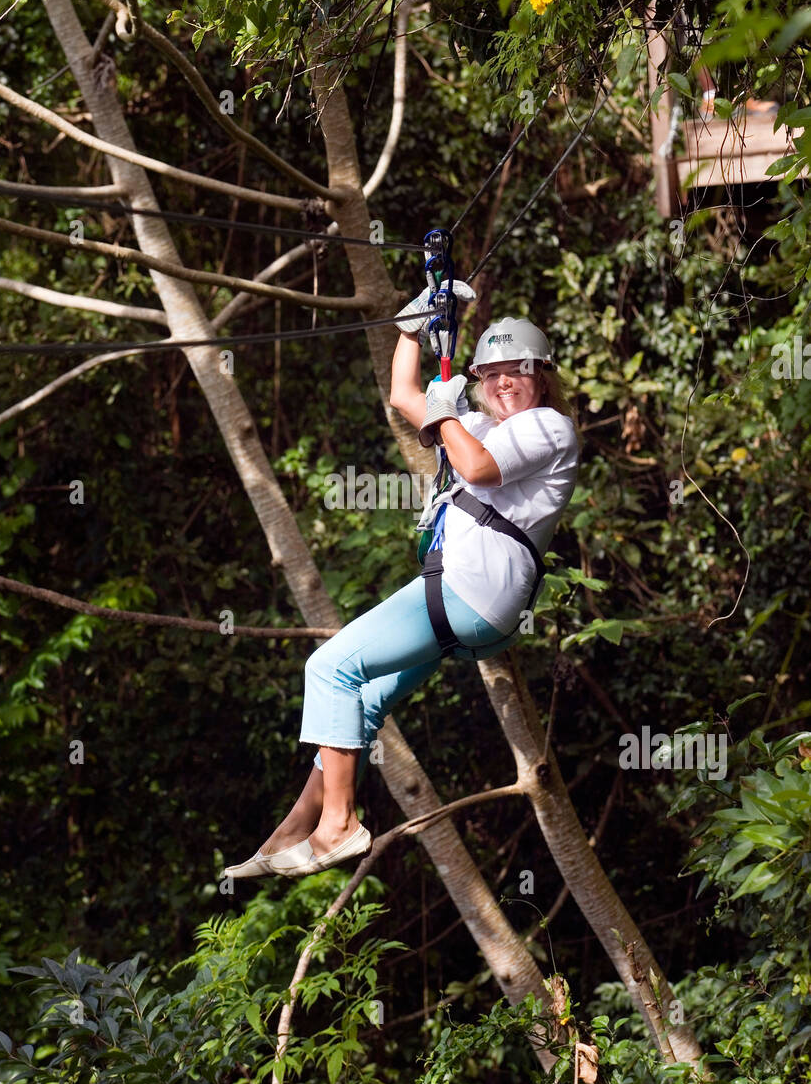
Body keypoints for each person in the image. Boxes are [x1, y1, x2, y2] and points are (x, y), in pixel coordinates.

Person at [224, 287, 579, 881]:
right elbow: (403, 395)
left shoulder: (549, 427)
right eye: (489, 375)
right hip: (466, 605)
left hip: (473, 593)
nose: (502, 384)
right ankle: (292, 833)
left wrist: (443, 415)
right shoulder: (475, 425)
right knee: (362, 700)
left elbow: (476, 469)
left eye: (516, 371)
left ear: (541, 376)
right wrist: (411, 330)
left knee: (330, 668)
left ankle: (339, 825)